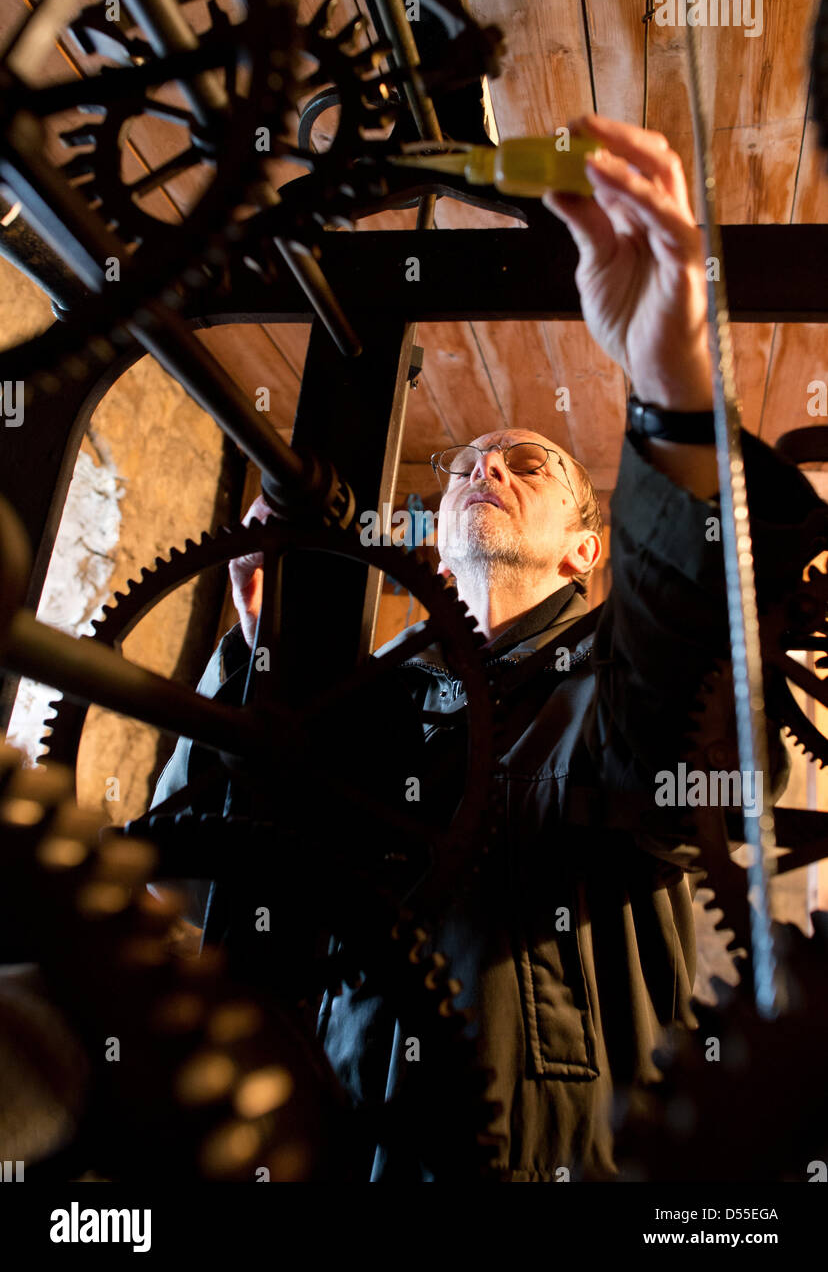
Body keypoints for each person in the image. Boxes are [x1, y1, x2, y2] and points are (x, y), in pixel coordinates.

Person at [149, 114, 826, 1181]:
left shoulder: (614, 676)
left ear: (585, 550)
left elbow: (684, 728)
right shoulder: (357, 700)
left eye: (525, 463)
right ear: (427, 536)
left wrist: (672, 393)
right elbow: (196, 878)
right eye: (466, 465)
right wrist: (253, 661)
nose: (483, 471)